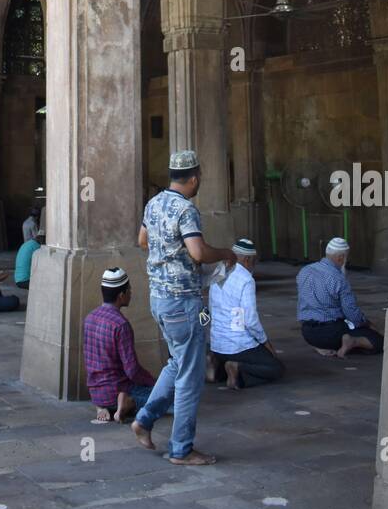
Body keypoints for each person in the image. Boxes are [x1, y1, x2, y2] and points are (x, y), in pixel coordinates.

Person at [133, 150, 236, 465]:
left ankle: (145, 419)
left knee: (177, 364)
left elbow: (142, 241)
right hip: (183, 301)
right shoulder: (185, 209)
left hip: (159, 299)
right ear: (194, 178)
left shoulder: (154, 204)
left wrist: (166, 254)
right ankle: (181, 449)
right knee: (190, 379)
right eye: (199, 178)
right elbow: (198, 252)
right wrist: (225, 253)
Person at [207, 238, 284, 389]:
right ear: (248, 259)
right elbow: (250, 320)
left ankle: (216, 365)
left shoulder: (220, 270)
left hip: (217, 343)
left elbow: (211, 308)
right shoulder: (246, 279)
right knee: (276, 368)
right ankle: (238, 369)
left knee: (233, 358)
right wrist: (265, 342)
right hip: (238, 346)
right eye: (254, 261)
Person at [83, 267, 157, 423]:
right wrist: (153, 382)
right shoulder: (121, 324)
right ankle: (129, 403)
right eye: (129, 289)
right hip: (118, 390)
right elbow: (132, 370)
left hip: (96, 393)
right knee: (168, 397)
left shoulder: (89, 318)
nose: (131, 293)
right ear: (121, 295)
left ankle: (103, 407)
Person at [296, 237, 384, 357]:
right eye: (346, 258)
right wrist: (368, 324)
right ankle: (352, 341)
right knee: (378, 341)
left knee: (338, 327)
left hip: (307, 333)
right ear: (340, 257)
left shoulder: (304, 271)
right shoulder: (338, 279)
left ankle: (320, 346)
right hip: (332, 333)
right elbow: (352, 314)